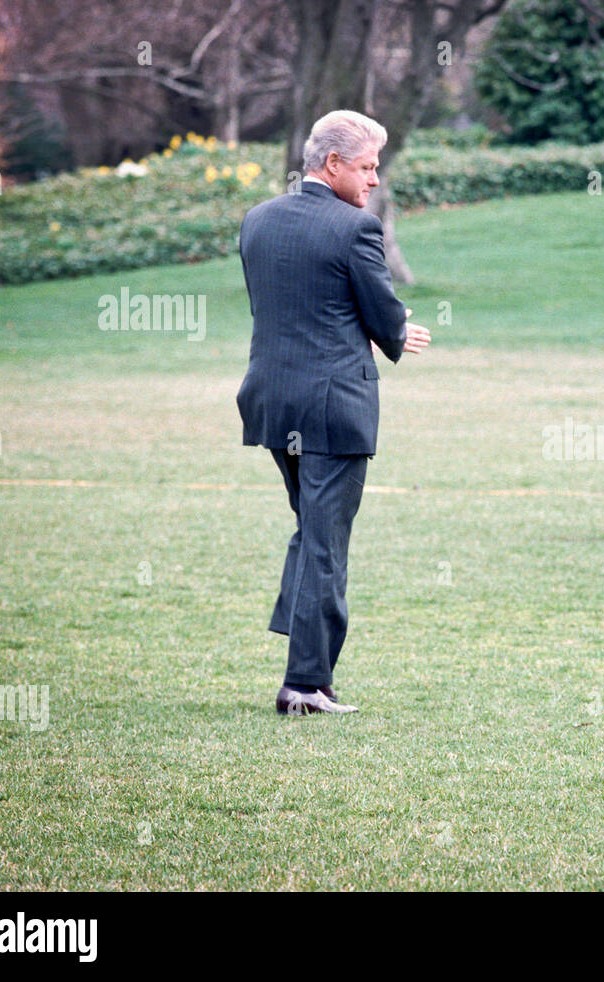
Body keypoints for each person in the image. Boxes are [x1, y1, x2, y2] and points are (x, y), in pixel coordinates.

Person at [236, 109, 431, 715]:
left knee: (311, 532)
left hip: (273, 401)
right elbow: (379, 310)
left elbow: (291, 308)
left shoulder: (257, 220)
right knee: (325, 544)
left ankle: (305, 663)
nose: (373, 180)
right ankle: (303, 685)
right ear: (333, 164)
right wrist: (397, 332)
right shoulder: (356, 229)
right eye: (368, 167)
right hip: (332, 409)